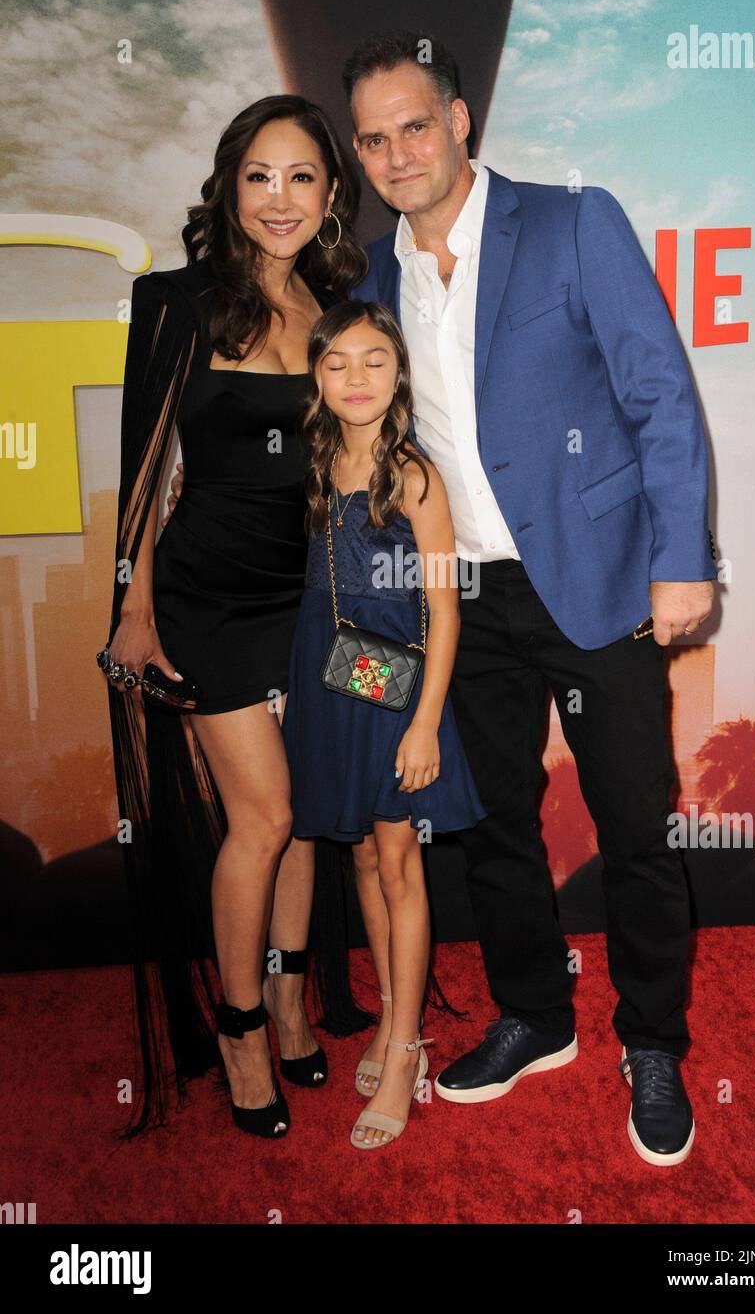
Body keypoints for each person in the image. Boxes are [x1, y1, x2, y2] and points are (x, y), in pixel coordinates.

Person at [340, 30, 717, 1166]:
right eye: (373, 137)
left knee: (634, 826)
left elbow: (658, 388)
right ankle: (535, 1016)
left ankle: (651, 1039)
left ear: (461, 122)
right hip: (463, 600)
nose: (398, 152)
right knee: (494, 821)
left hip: (596, 582)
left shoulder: (569, 220)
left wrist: (684, 555)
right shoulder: (372, 277)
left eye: (416, 124)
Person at [101, 95, 375, 1141]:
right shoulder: (176, 302)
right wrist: (135, 604)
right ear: (229, 186)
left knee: (303, 813)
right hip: (205, 599)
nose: (280, 198)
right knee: (260, 817)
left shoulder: (339, 315)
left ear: (329, 196)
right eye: (260, 175)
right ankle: (242, 1025)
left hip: (307, 598)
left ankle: (297, 991)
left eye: (302, 177)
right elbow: (142, 467)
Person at [282, 299, 486, 1148]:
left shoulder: (413, 473)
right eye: (337, 364)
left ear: (399, 372)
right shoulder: (314, 460)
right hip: (330, 680)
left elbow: (446, 607)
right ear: (317, 377)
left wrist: (425, 724)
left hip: (398, 688)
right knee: (362, 853)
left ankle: (407, 1050)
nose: (356, 379)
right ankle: (393, 1014)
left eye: (374, 360)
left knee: (399, 861)